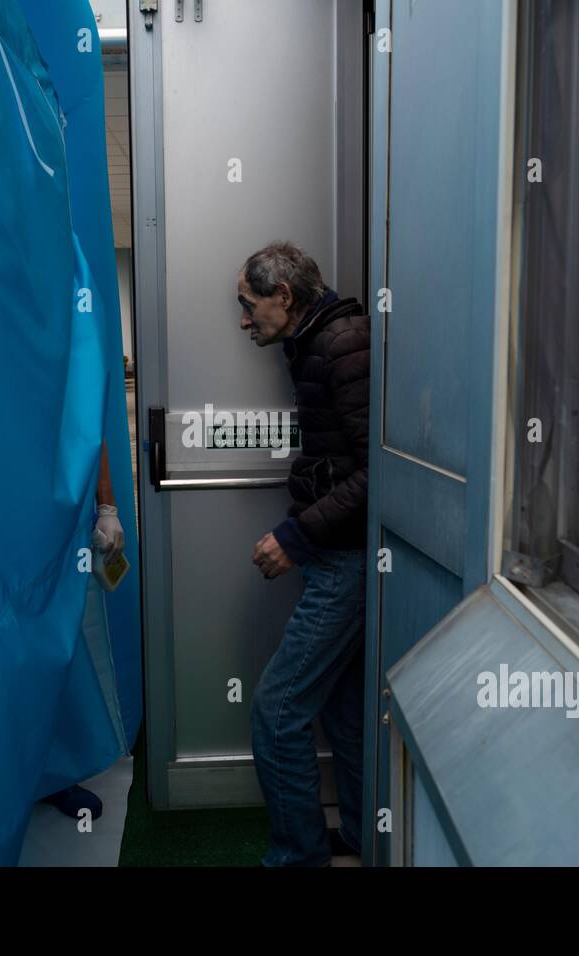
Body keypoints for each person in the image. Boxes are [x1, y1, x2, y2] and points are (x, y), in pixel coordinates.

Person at [238, 241, 370, 867]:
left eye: (249, 305)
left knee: (277, 712)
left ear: (283, 297)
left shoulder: (343, 344)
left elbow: (379, 474)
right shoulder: (319, 342)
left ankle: (297, 860)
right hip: (336, 555)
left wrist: (296, 537)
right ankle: (366, 843)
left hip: (344, 562)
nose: (244, 321)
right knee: (343, 714)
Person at [40, 441, 124, 821]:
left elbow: (89, 434)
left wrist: (106, 507)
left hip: (52, 518)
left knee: (58, 647)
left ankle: (55, 774)